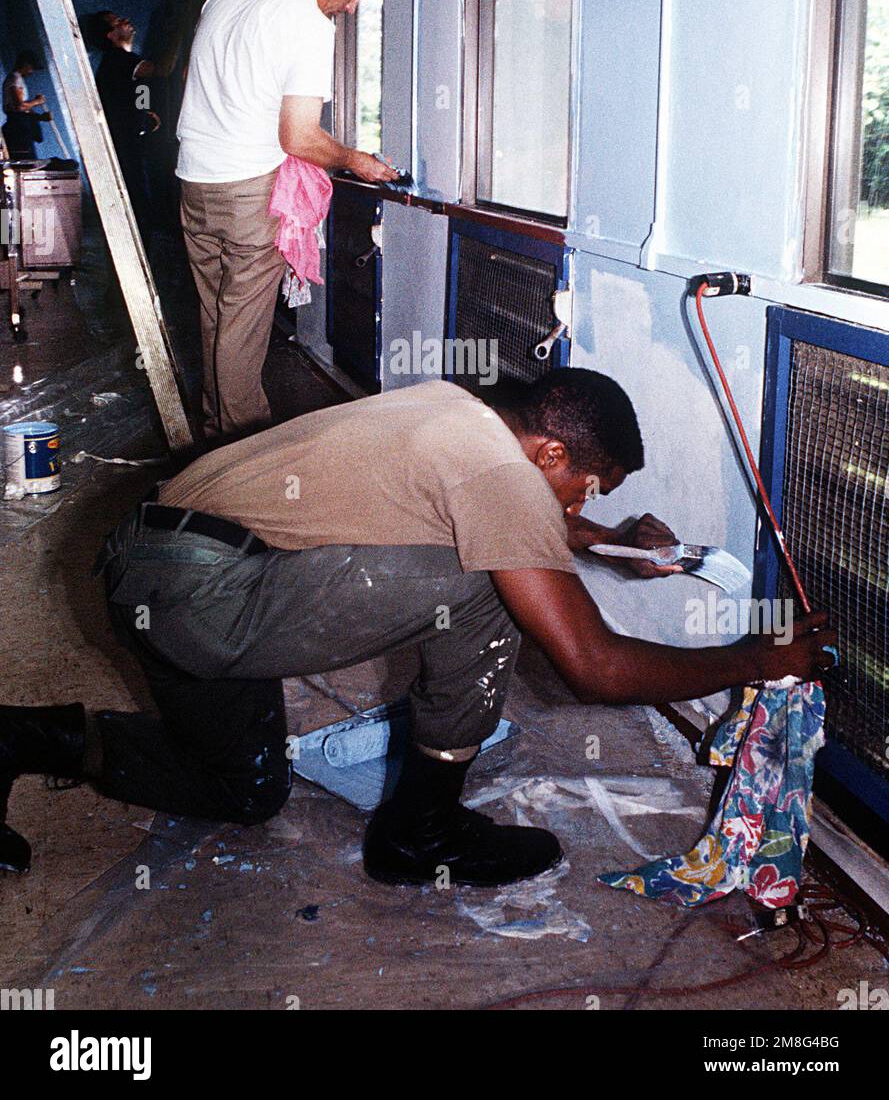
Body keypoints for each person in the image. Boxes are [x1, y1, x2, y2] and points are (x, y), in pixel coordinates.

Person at [0, 369, 837, 885]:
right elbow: (594, 667)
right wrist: (752, 660)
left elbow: (489, 504)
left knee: (242, 791)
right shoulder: (501, 477)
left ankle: (20, 742)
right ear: (550, 453)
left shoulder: (454, 411)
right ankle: (420, 834)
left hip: (158, 572)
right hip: (206, 602)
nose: (585, 504)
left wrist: (605, 543)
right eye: (589, 486)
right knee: (482, 588)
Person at [175, 0, 400, 443]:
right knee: (243, 327)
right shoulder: (307, 22)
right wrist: (353, 160)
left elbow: (191, 71)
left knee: (215, 314)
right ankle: (243, 447)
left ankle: (214, 434)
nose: (348, 10)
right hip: (248, 187)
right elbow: (298, 137)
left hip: (194, 177)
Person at [94, 12, 171, 251]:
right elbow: (163, 70)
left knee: (139, 199)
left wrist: (144, 112)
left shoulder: (127, 60)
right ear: (111, 35)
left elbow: (139, 88)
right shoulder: (118, 59)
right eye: (117, 22)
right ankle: (138, 256)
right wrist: (182, 30)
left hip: (131, 141)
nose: (125, 20)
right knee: (137, 202)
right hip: (125, 145)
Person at [2, 50, 51, 159]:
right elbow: (20, 106)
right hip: (18, 127)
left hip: (19, 125)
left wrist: (40, 117)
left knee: (27, 159)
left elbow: (23, 108)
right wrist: (38, 101)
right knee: (26, 160)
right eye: (31, 68)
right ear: (26, 65)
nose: (31, 72)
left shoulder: (16, 79)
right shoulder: (15, 79)